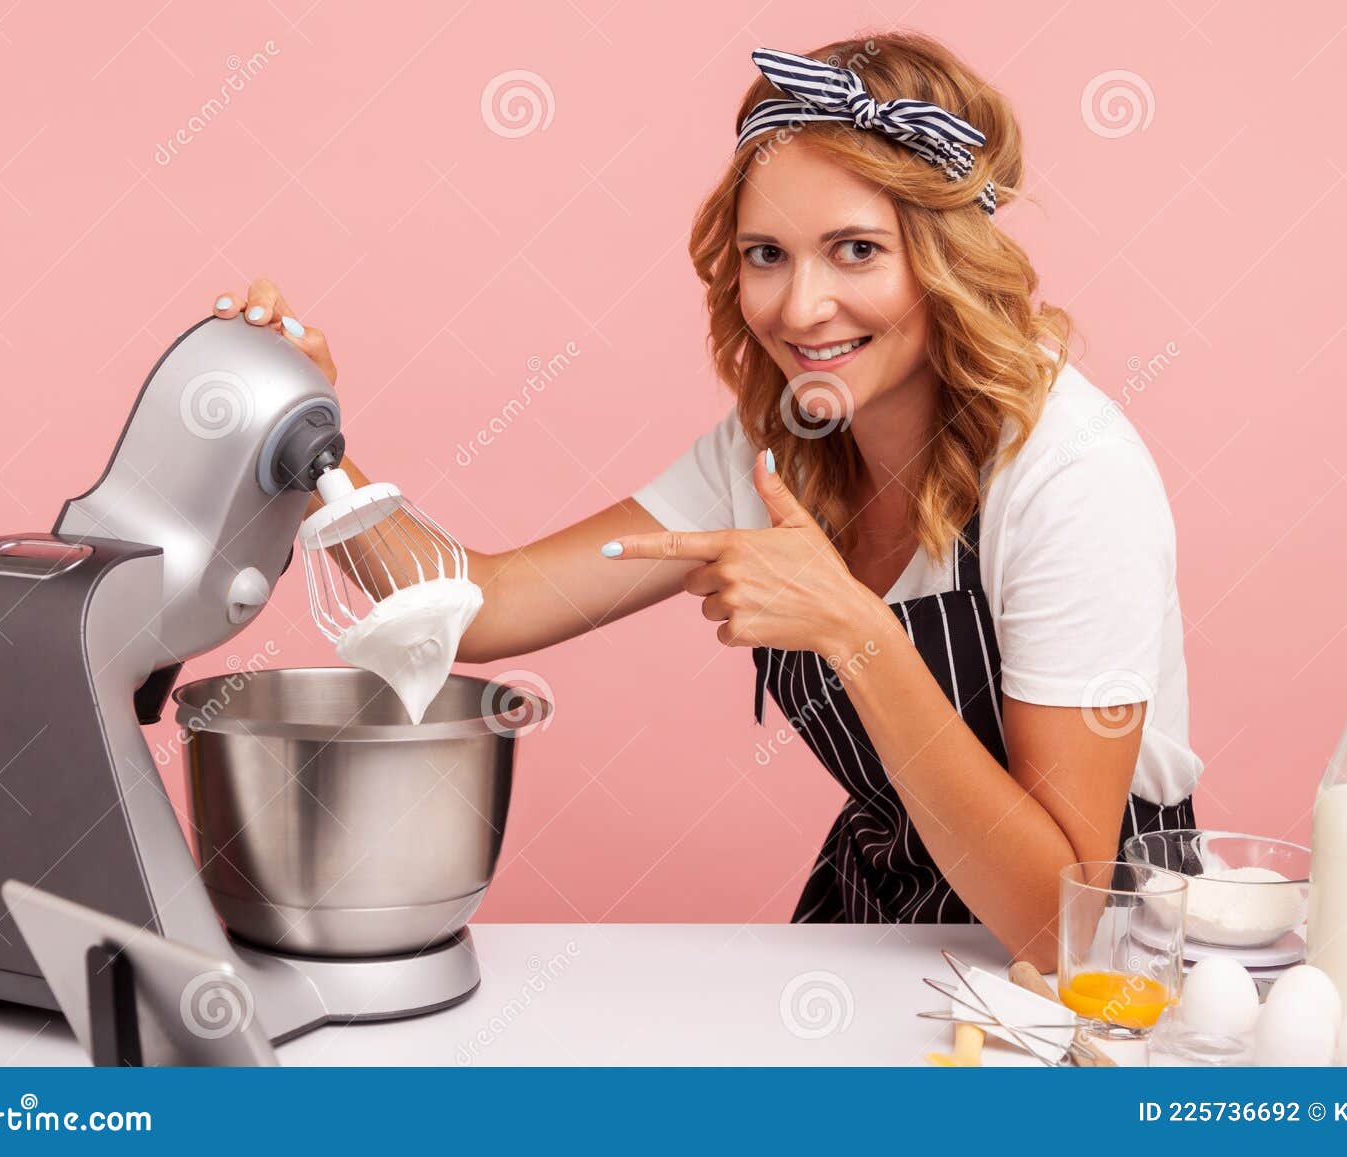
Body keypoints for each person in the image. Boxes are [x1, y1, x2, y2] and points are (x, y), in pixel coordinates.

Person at [207, 31, 1201, 969]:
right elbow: (488, 600)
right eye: (766, 253)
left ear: (947, 260)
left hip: (1090, 978)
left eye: (856, 250)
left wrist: (857, 634)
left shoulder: (1071, 474)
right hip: (874, 938)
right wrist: (314, 448)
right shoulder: (784, 447)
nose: (798, 308)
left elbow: (1064, 921)